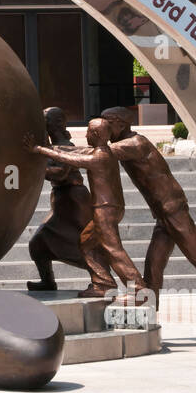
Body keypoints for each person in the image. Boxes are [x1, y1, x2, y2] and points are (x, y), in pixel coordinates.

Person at [101, 107, 196, 320]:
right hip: (164, 212)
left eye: (106, 123)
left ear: (120, 123)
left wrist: (45, 150)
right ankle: (148, 302)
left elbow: (97, 155)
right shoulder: (129, 142)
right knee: (154, 262)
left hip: (172, 210)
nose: (103, 127)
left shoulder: (134, 144)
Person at [25, 118, 148, 304]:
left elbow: (72, 158)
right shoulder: (104, 151)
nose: (85, 135)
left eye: (89, 132)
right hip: (109, 208)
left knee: (113, 251)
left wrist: (39, 150)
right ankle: (104, 284)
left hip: (104, 210)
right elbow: (72, 151)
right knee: (86, 242)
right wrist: (47, 147)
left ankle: (138, 290)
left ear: (96, 135)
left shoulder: (98, 157)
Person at [26, 107, 118, 298]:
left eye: (45, 121)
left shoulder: (66, 144)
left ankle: (102, 277)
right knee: (39, 242)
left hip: (73, 199)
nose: (43, 124)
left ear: (57, 124)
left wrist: (36, 169)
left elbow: (60, 172)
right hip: (61, 200)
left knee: (80, 241)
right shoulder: (52, 146)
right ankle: (47, 281)